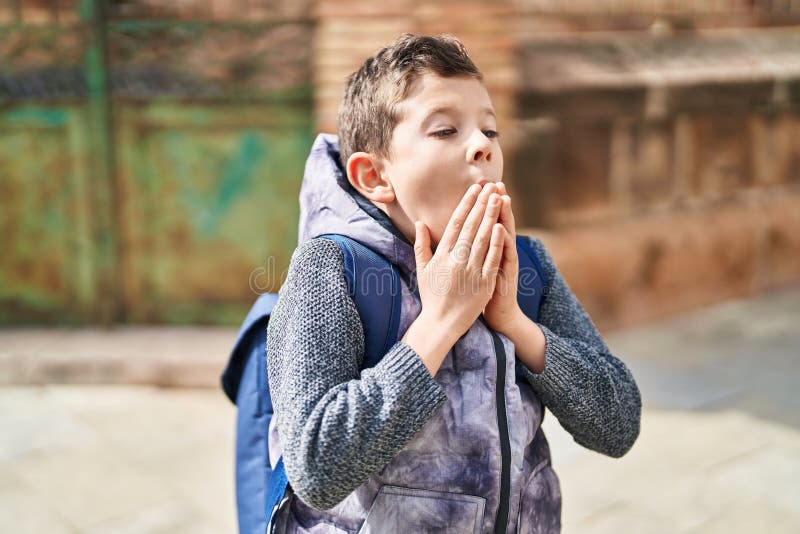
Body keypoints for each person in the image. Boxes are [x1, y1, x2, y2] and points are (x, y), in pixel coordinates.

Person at [266, 33, 641, 534]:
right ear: (374, 177)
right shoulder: (331, 268)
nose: (482, 144)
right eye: (445, 130)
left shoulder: (527, 266)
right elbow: (316, 468)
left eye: (491, 129)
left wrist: (516, 324)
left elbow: (619, 424)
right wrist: (440, 322)